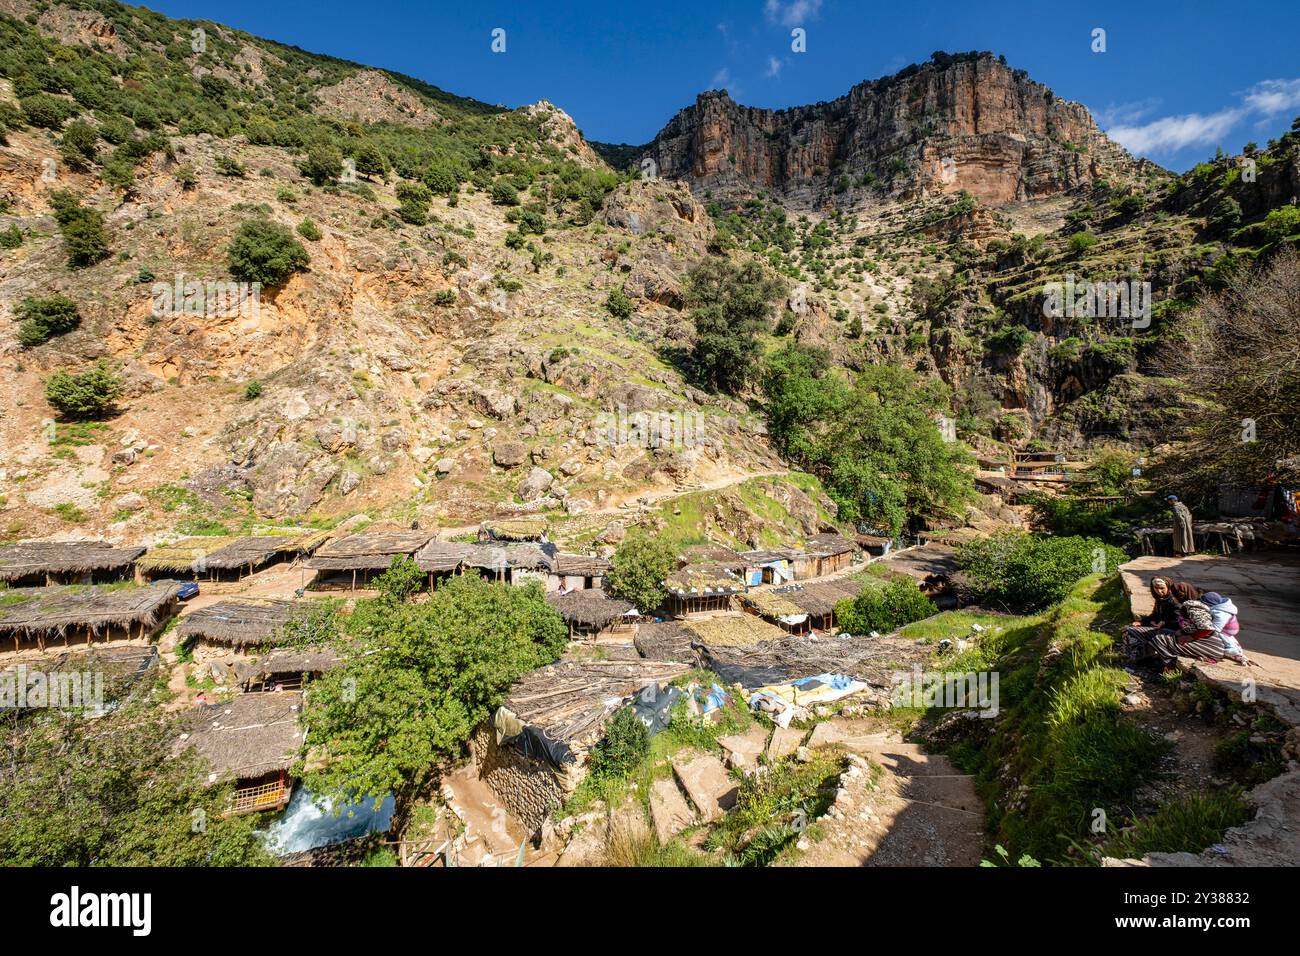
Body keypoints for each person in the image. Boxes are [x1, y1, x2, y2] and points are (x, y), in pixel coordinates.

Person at [1148, 581, 1229, 673]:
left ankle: (1170, 667)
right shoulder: (1187, 606)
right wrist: (1182, 632)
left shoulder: (1194, 608)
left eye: (1174, 595)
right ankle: (1160, 661)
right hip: (1199, 640)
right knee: (1163, 633)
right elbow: (1191, 626)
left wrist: (1190, 637)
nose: (1173, 597)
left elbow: (1207, 628)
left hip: (1209, 646)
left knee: (1159, 640)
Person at [1122, 576, 1181, 662]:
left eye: (1162, 588)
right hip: (1158, 627)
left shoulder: (1175, 602)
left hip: (1170, 631)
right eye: (1156, 588)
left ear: (1168, 587)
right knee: (1128, 629)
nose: (1159, 591)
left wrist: (1164, 623)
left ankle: (1141, 657)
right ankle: (1137, 655)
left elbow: (1178, 621)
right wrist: (1143, 622)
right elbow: (1154, 615)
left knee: (1130, 632)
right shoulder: (1160, 600)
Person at [1202, 591, 1251, 665]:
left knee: (1225, 640)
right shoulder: (1221, 608)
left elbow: (1216, 628)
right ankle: (1236, 648)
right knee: (1229, 639)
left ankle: (1234, 652)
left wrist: (1206, 631)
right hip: (1229, 628)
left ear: (1209, 604)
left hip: (1226, 629)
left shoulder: (1220, 614)